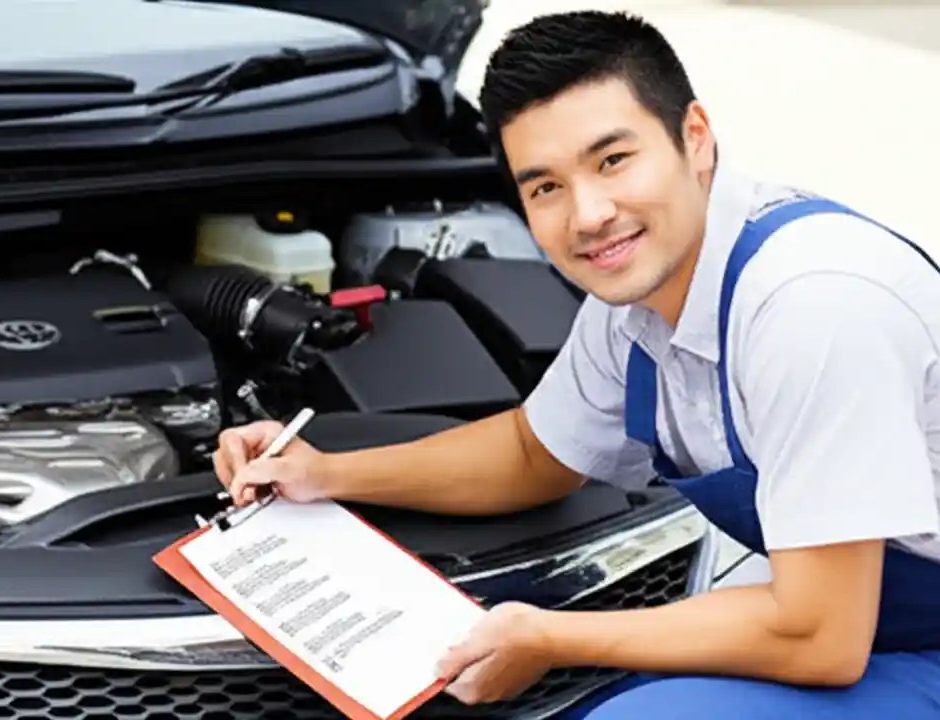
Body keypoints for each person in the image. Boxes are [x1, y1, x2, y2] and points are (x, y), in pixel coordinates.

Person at [212, 9, 940, 718]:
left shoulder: (814, 309)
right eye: (545, 187)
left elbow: (820, 638)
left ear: (696, 138)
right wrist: (326, 472)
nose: (588, 215)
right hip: (862, 620)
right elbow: (537, 451)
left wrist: (553, 638)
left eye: (613, 160)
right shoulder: (638, 301)